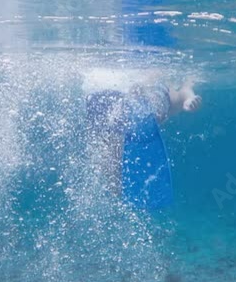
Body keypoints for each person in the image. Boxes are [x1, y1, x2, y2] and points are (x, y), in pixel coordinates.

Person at [86, 77, 202, 205]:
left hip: (113, 101)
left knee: (110, 147)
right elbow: (185, 89)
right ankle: (115, 191)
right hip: (126, 97)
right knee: (111, 144)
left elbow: (184, 90)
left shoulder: (163, 104)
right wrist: (189, 99)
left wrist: (189, 99)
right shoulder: (165, 101)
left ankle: (115, 192)